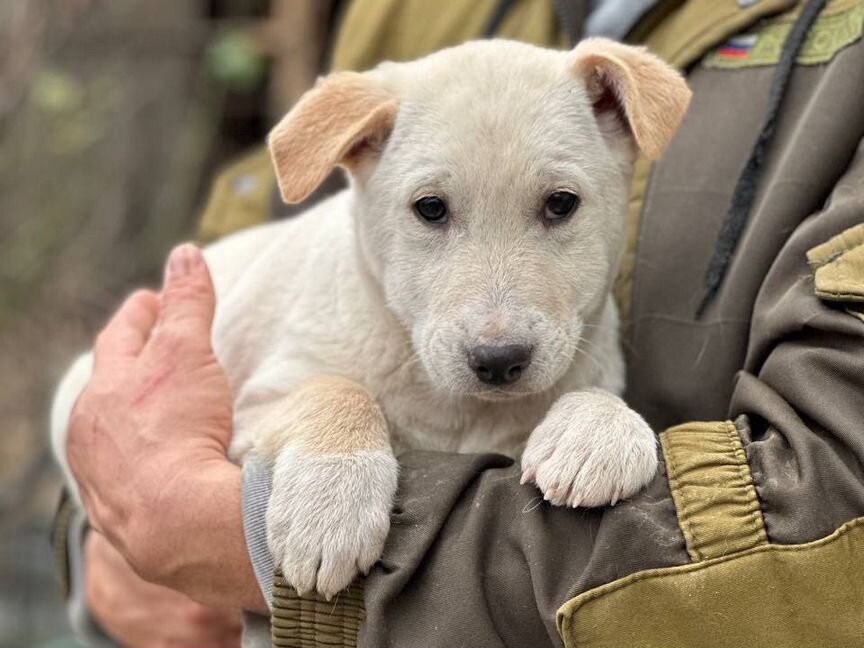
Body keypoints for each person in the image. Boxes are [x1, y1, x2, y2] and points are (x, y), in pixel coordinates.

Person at [54, 0, 864, 646]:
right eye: (433, 209)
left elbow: (822, 512)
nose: (497, 330)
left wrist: (601, 415)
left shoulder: (622, 96)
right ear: (363, 158)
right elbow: (151, 427)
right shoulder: (403, 40)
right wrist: (97, 538)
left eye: (558, 205)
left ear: (621, 130)